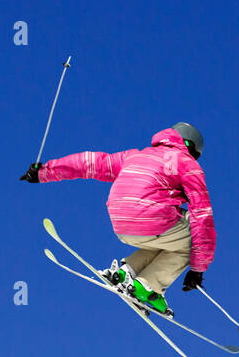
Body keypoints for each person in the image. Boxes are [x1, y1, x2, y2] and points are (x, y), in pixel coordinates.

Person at [21, 123, 214, 315]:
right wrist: (197, 269)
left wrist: (44, 172)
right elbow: (202, 213)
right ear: (189, 147)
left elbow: (92, 162)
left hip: (121, 222)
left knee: (168, 239)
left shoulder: (136, 155)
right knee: (192, 239)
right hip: (153, 218)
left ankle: (126, 272)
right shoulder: (187, 164)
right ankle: (148, 286)